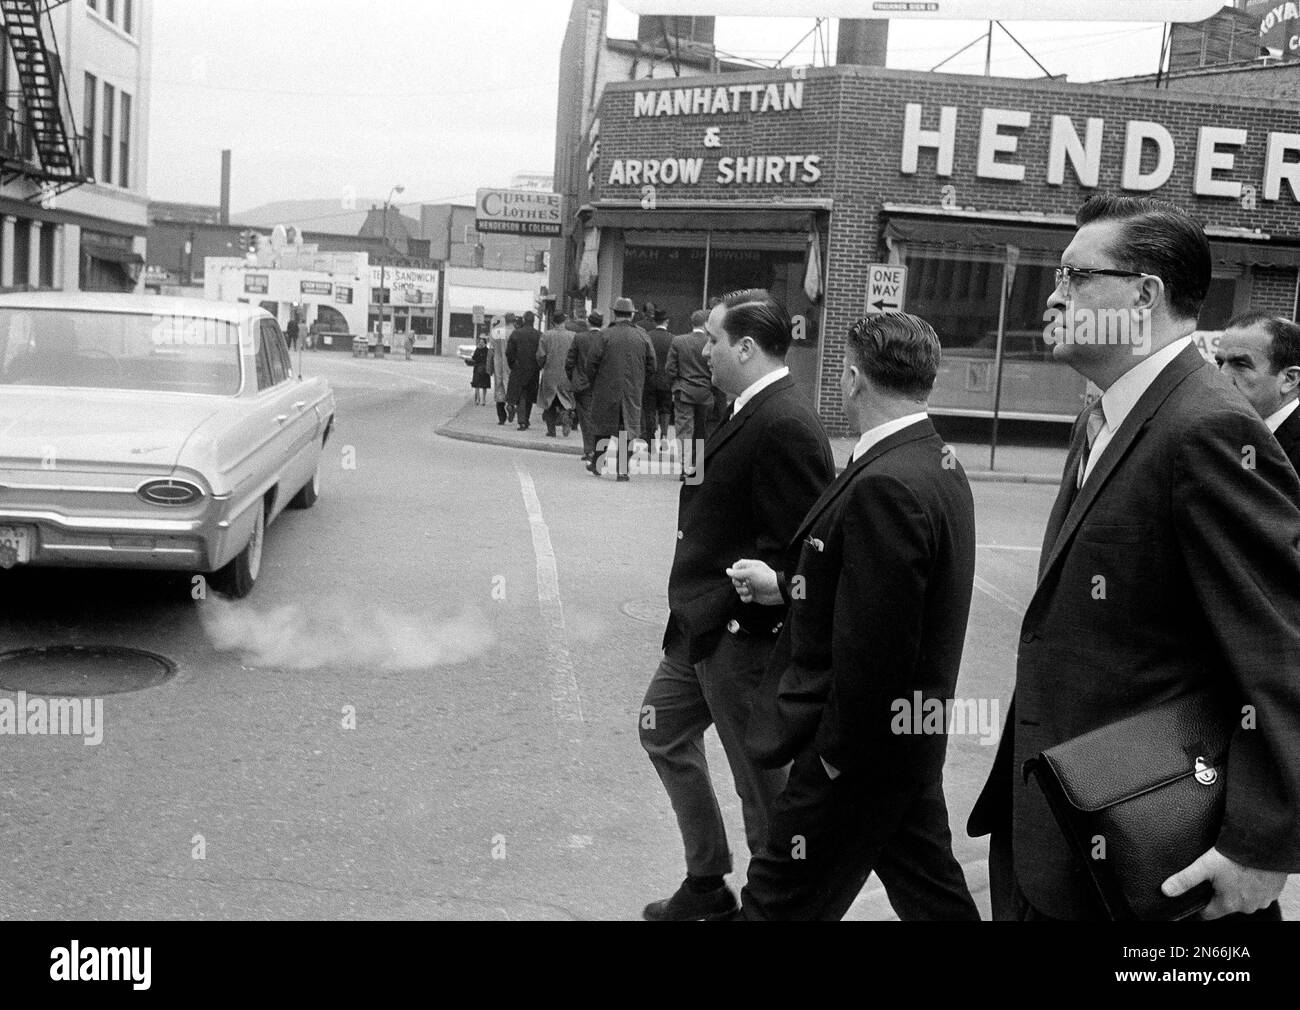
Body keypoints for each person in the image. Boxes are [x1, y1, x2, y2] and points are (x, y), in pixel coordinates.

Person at [968, 193, 1300, 921]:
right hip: (1058, 826)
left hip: (1147, 852)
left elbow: (1279, 649)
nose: (1053, 296)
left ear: (1143, 293)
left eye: (1074, 276)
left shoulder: (1206, 428)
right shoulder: (1107, 413)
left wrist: (1261, 846)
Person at [729, 313, 980, 921]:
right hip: (902, 749)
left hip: (857, 758)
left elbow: (877, 649)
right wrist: (790, 588)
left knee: (773, 902)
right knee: (934, 899)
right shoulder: (933, 460)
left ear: (853, 379)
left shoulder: (887, 482)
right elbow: (873, 595)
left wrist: (833, 763)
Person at [639, 289, 835, 921]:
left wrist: (760, 600)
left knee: (764, 791)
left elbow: (808, 547)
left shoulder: (786, 422)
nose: (705, 350)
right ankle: (706, 885)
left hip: (741, 637)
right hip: (700, 625)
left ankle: (778, 907)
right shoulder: (746, 408)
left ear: (746, 348)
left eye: (714, 341)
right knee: (662, 728)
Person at [1215, 312, 1300, 476]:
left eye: (1240, 364)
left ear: (1290, 379)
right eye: (1220, 362)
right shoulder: (1221, 432)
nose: (1220, 376)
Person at [586, 298, 655, 482]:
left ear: (615, 313)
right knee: (628, 430)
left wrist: (595, 383)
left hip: (606, 389)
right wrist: (640, 381)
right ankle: (622, 470)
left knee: (603, 428)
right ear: (632, 315)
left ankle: (598, 464)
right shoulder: (642, 336)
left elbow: (591, 363)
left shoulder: (605, 335)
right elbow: (652, 365)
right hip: (632, 390)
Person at [666, 309, 714, 480]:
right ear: (706, 324)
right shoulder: (710, 343)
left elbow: (670, 369)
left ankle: (685, 467)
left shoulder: (678, 341)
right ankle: (697, 466)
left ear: (692, 323)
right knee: (701, 430)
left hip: (683, 391)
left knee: (684, 430)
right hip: (705, 392)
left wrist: (677, 383)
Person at [567, 312, 604, 463]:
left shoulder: (580, 338)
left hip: (582, 384)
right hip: (601, 385)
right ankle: (597, 449)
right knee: (599, 419)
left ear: (589, 323)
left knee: (585, 419)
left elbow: (569, 361)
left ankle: (589, 449)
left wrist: (573, 378)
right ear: (601, 324)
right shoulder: (606, 338)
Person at [537, 312, 576, 438]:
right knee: (566, 399)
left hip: (550, 372)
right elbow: (576, 356)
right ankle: (565, 414)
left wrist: (543, 366)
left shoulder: (546, 335)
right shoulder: (573, 336)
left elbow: (540, 355)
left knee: (549, 402)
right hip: (566, 374)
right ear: (564, 321)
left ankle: (551, 430)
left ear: (553, 322)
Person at [642, 308, 674, 448]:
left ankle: (650, 440)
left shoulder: (647, 336)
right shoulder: (673, 339)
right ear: (667, 322)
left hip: (650, 379)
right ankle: (664, 436)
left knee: (650, 409)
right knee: (665, 409)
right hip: (666, 380)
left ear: (655, 321)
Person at [506, 311, 542, 431]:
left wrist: (513, 364)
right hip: (533, 370)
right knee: (529, 396)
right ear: (533, 321)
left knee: (520, 395)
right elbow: (542, 354)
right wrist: (539, 366)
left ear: (524, 320)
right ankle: (525, 419)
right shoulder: (538, 335)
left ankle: (520, 419)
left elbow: (509, 352)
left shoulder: (516, 333)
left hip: (518, 368)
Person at [490, 315, 514, 426]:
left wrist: (489, 366)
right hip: (511, 365)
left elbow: (491, 350)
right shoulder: (515, 332)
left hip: (498, 364)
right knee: (510, 386)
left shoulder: (496, 332)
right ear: (513, 320)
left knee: (499, 388)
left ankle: (501, 417)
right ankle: (511, 405)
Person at [469, 335, 491, 405]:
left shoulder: (487, 351)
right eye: (480, 342)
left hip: (485, 370)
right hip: (477, 369)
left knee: (485, 385)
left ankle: (484, 399)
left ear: (485, 343)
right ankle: (478, 399)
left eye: (482, 342)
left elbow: (490, 360)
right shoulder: (477, 349)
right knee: (477, 385)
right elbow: (474, 358)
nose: (481, 343)